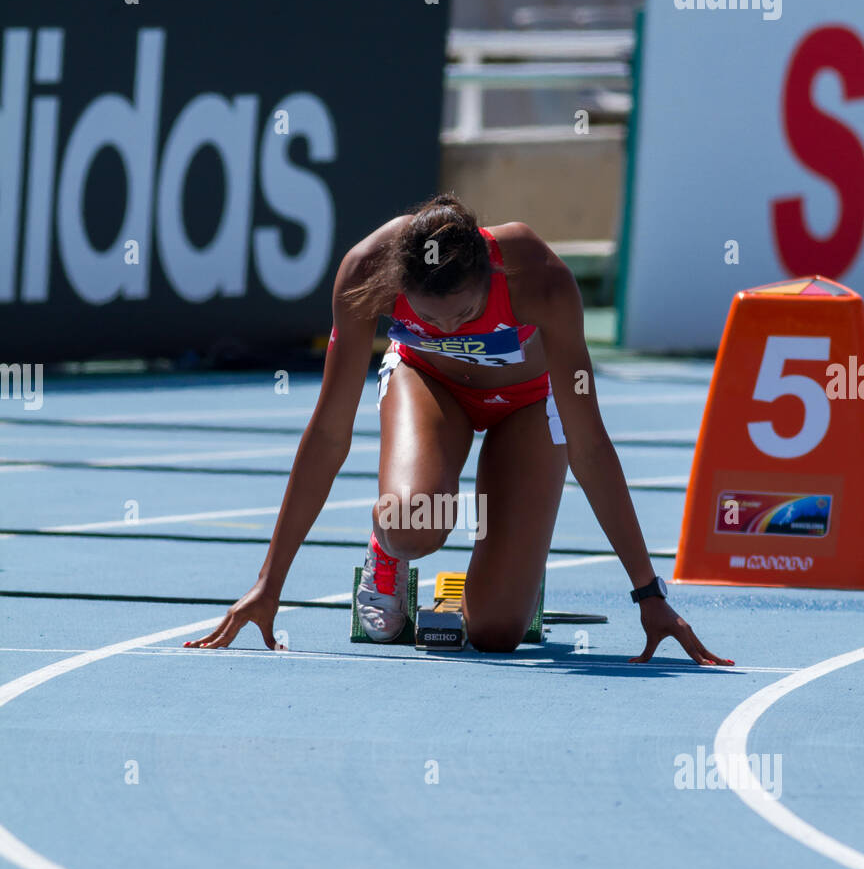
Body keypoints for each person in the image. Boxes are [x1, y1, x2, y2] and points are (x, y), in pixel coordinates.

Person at [186, 194, 732, 666]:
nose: (449, 328)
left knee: (496, 633)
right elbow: (329, 432)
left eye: (465, 313)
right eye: (432, 318)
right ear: (400, 283)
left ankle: (515, 561)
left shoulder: (541, 278)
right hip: (430, 387)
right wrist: (269, 582)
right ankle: (386, 550)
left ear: (490, 276)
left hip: (527, 404)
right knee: (412, 522)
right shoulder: (364, 273)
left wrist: (648, 593)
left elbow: (589, 443)